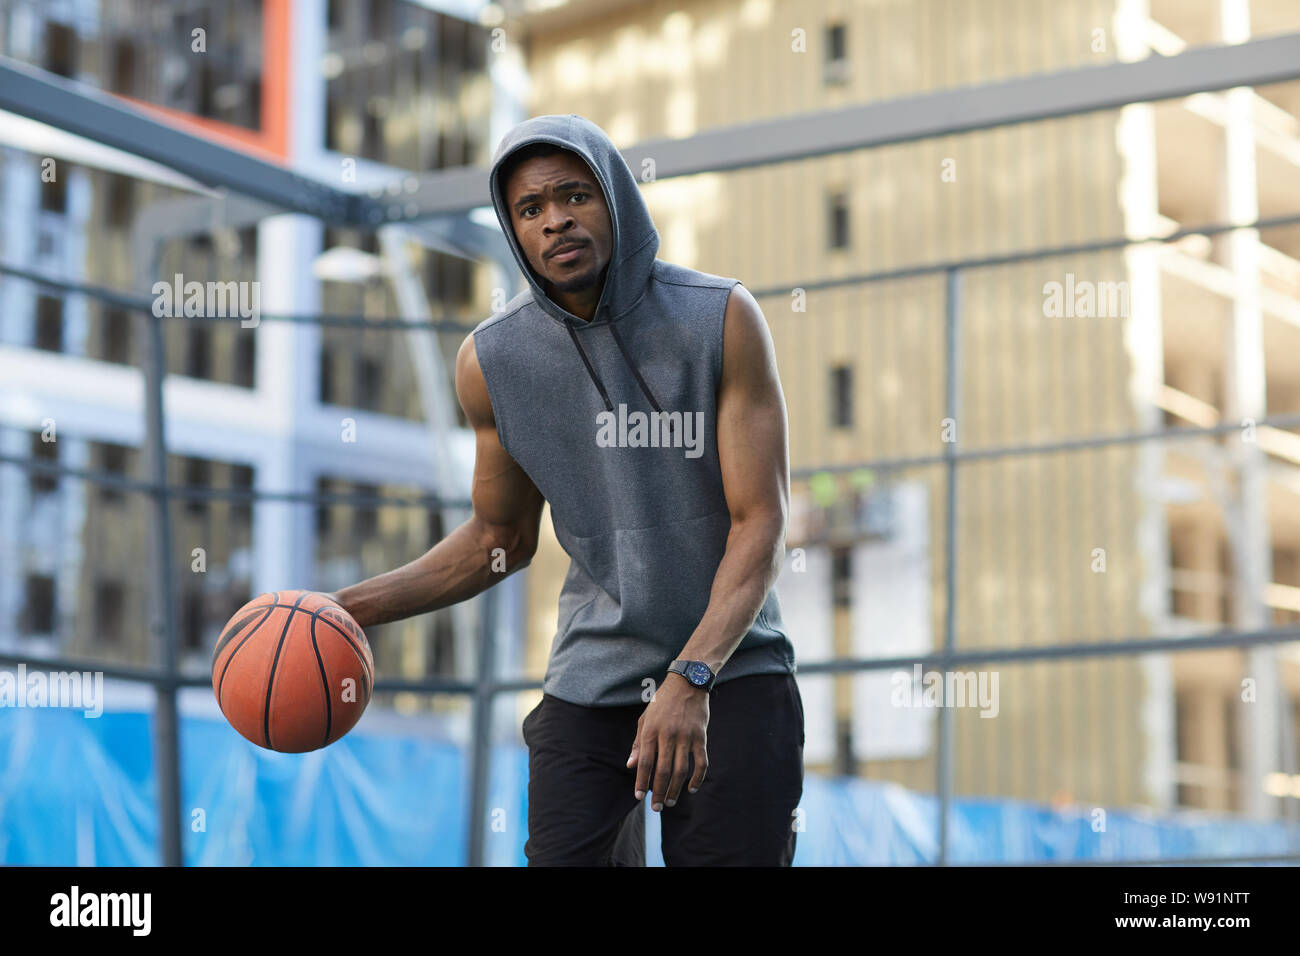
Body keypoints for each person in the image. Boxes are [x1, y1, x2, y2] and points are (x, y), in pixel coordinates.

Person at [331, 114, 803, 866]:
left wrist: (692, 674)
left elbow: (761, 524)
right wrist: (345, 609)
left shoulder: (719, 319)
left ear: (614, 198)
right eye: (530, 208)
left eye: (574, 195)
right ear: (515, 231)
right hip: (593, 679)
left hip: (732, 668)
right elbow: (499, 540)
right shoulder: (493, 361)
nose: (556, 220)